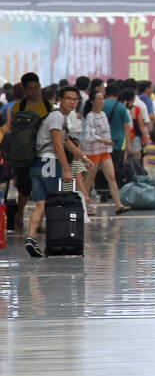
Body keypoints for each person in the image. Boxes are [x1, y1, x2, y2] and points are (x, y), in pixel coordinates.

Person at [25, 86, 84, 258]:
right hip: (49, 163)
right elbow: (58, 144)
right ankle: (55, 240)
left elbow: (65, 142)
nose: (72, 102)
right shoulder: (57, 116)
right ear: (60, 99)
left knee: (41, 204)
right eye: (68, 98)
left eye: (75, 99)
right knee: (55, 203)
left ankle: (31, 238)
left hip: (37, 163)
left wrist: (81, 156)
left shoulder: (59, 117)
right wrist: (67, 169)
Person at [4, 72, 51, 231]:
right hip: (23, 153)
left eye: (36, 87)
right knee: (24, 189)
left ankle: (39, 222)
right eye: (30, 89)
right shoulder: (19, 106)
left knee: (43, 187)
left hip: (43, 152)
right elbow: (11, 131)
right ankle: (19, 216)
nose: (34, 91)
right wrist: (9, 155)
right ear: (24, 89)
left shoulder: (48, 105)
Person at [81, 88, 129, 215]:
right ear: (93, 101)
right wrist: (104, 141)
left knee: (111, 176)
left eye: (103, 99)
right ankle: (83, 206)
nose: (102, 102)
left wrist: (105, 143)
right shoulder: (90, 116)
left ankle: (118, 205)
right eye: (99, 99)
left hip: (104, 151)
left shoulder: (103, 114)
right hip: (93, 151)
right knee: (89, 179)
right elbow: (89, 136)